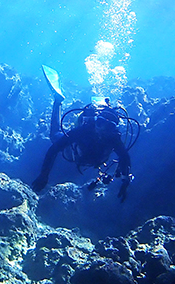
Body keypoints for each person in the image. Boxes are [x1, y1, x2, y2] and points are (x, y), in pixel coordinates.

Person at [32, 64, 134, 201]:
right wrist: (43, 175)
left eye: (108, 126)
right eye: (100, 123)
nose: (102, 130)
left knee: (57, 138)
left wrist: (125, 181)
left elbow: (125, 158)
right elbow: (54, 149)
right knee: (55, 135)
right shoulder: (85, 130)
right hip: (75, 152)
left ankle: (58, 101)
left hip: (89, 158)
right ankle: (58, 101)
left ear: (113, 129)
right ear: (95, 121)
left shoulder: (113, 138)